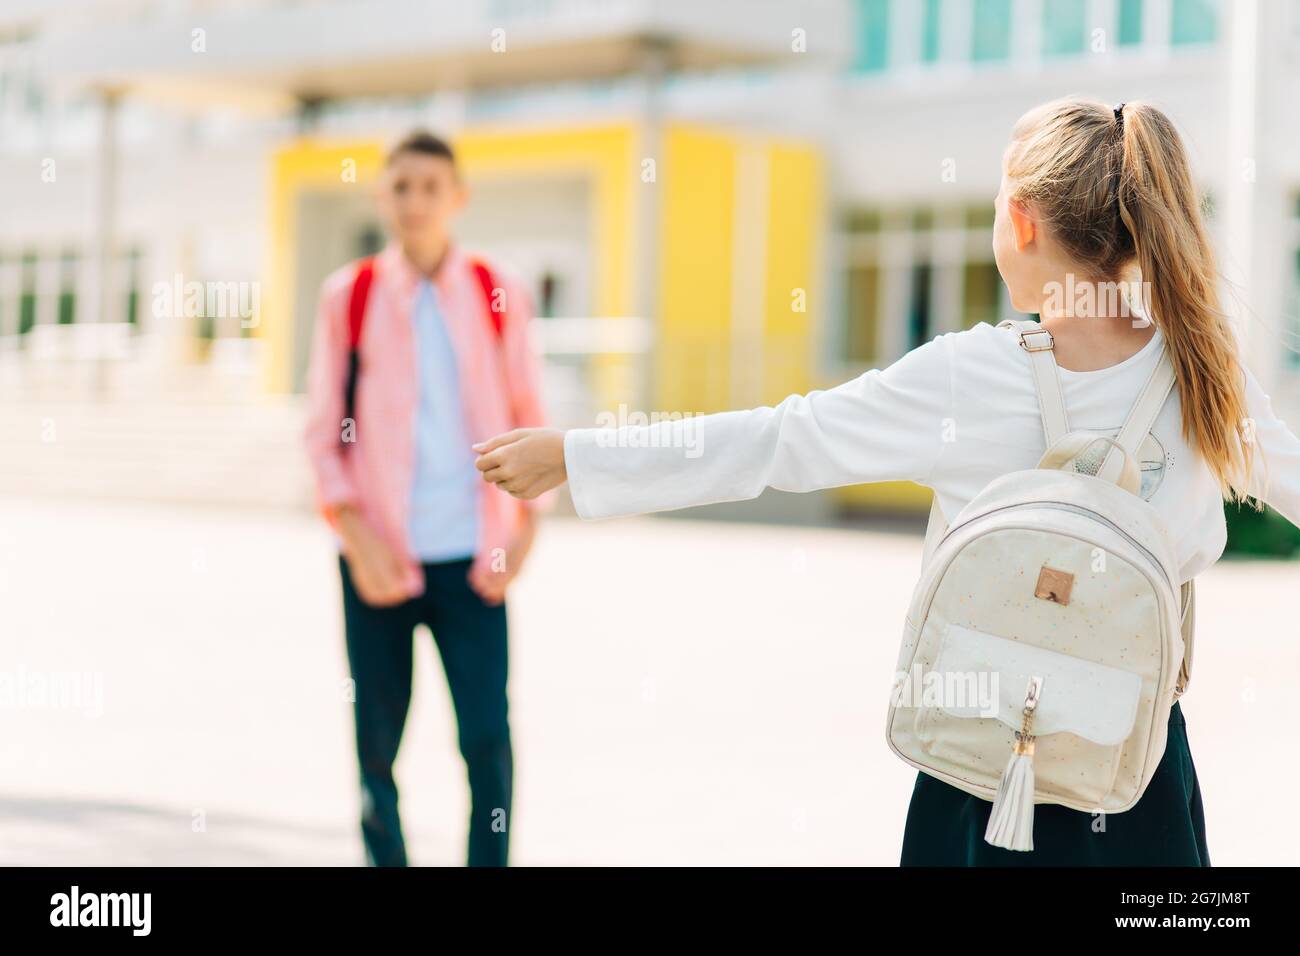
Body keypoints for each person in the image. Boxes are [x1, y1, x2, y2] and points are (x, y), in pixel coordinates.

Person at [470, 98, 1300, 865]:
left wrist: (580, 456)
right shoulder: (1205, 369)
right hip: (1137, 768)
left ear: (1022, 218)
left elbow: (776, 441)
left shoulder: (966, 374)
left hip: (979, 766)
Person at [303, 130, 548, 867]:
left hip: (474, 557)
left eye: (430, 187)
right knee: (376, 750)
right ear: (381, 195)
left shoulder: (496, 291)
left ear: (457, 198)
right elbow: (322, 432)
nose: (414, 202)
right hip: (376, 556)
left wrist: (525, 532)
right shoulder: (351, 295)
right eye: (400, 186)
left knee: (487, 742)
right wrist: (356, 536)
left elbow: (529, 415)